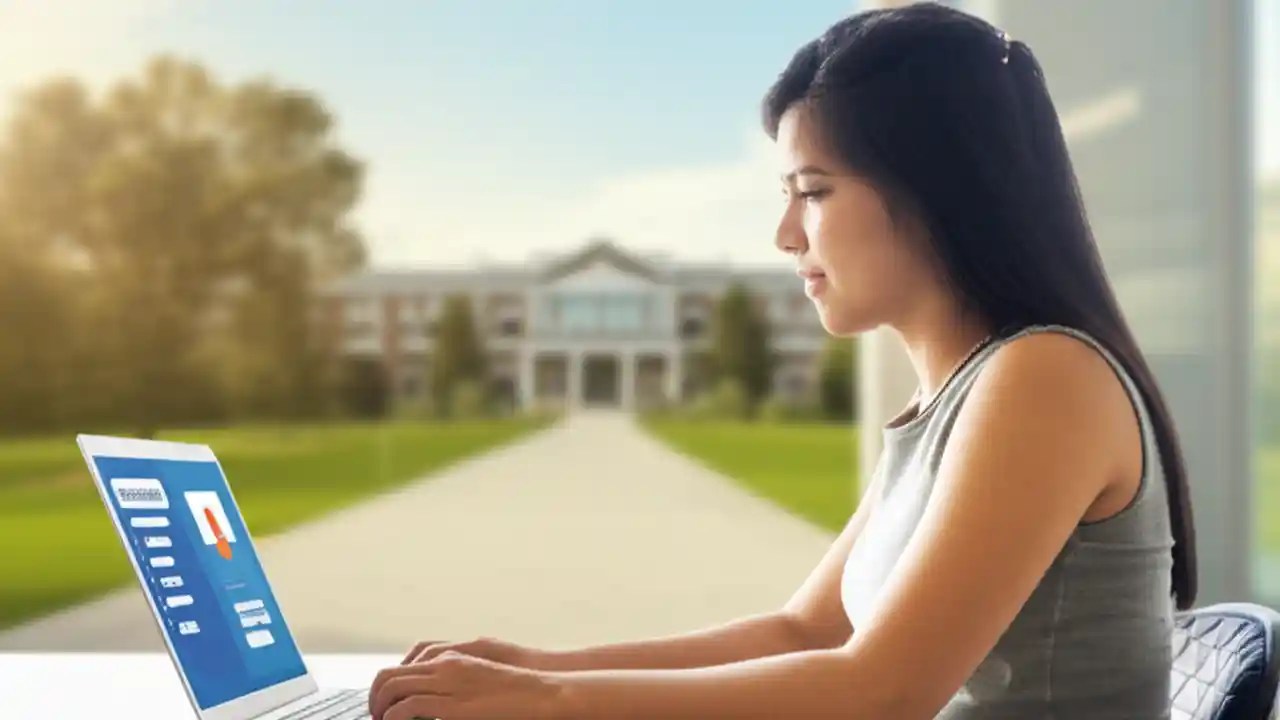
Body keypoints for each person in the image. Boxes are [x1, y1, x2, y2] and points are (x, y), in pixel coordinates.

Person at [367, 3, 1197, 718]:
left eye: (815, 191)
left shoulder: (1044, 378)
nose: (786, 236)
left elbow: (879, 693)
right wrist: (534, 668)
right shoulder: (961, 394)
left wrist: (549, 705)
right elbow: (806, 631)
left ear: (938, 187)